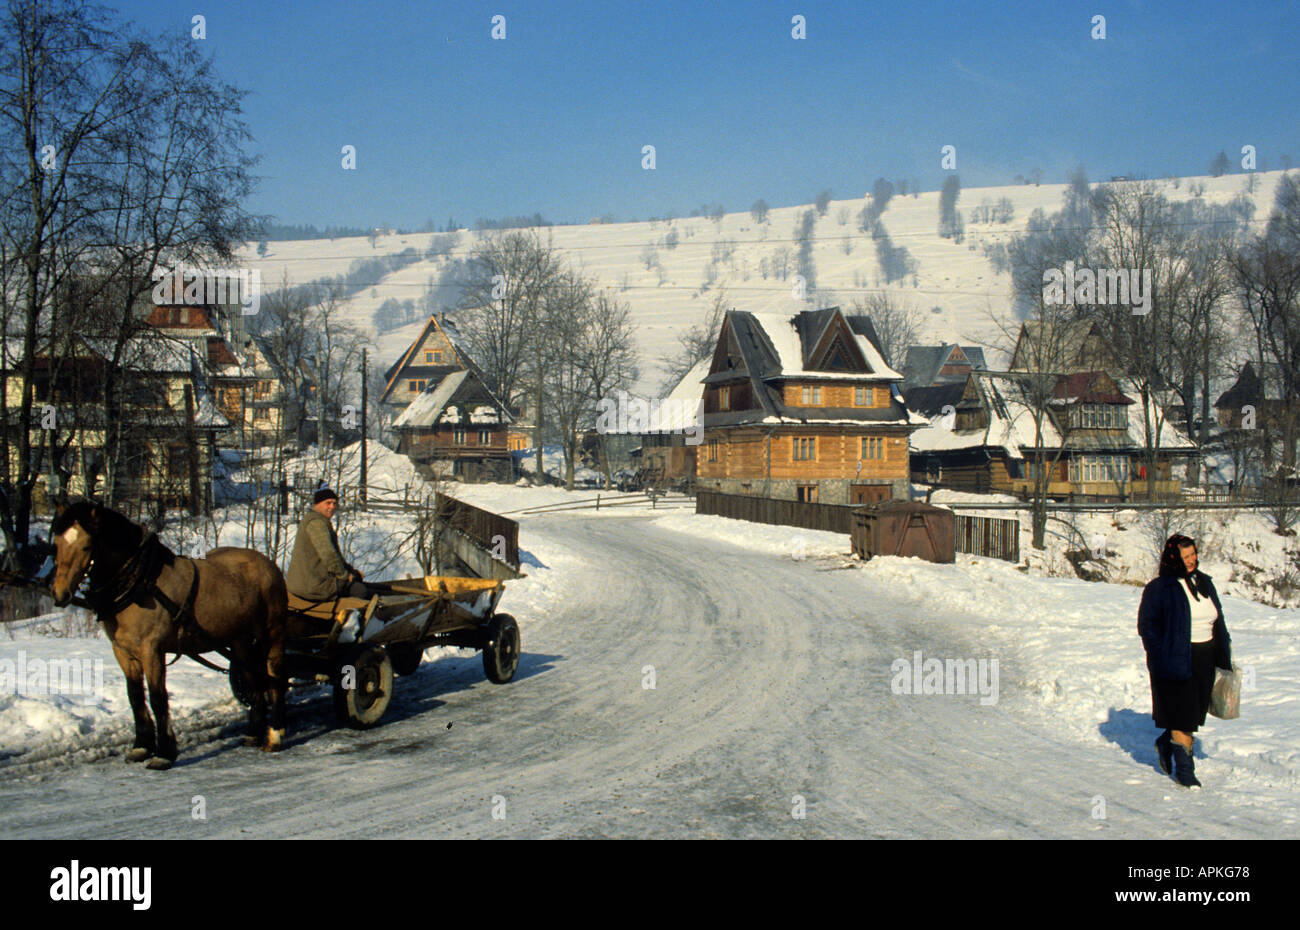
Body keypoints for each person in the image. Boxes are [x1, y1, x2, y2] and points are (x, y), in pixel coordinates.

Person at [1137, 534, 1233, 789]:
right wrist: (1160, 654)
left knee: (1194, 712)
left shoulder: (1203, 582)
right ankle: (1185, 770)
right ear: (1173, 558)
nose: (1191, 561)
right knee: (1184, 717)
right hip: (1174, 659)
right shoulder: (1160, 588)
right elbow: (1148, 626)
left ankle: (1167, 741)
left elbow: (1218, 618)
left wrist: (1224, 651)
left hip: (1205, 656)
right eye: (1186, 557)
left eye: (1193, 555)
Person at [286, 487, 369, 601]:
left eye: (334, 503)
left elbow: (335, 556)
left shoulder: (316, 520)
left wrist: (350, 571)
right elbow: (329, 555)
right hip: (313, 586)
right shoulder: (316, 523)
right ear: (317, 504)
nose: (332, 507)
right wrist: (344, 576)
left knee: (358, 581)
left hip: (305, 582)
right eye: (328, 503)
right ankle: (350, 618)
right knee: (361, 591)